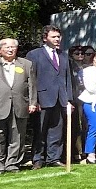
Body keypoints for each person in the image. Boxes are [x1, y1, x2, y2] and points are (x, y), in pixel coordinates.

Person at [0, 38, 36, 172]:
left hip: (20, 106)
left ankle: (12, 165)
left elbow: (32, 86)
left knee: (17, 137)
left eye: (13, 47)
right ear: (0, 50)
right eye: (7, 47)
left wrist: (33, 103)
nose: (11, 50)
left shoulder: (26, 64)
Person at [26, 25, 72, 167]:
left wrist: (68, 99)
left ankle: (54, 158)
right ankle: (38, 159)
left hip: (60, 98)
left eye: (58, 36)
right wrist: (34, 100)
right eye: (54, 37)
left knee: (56, 130)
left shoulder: (63, 55)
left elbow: (67, 78)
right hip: (42, 99)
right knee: (40, 130)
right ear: (45, 38)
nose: (57, 39)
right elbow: (30, 79)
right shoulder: (34, 54)